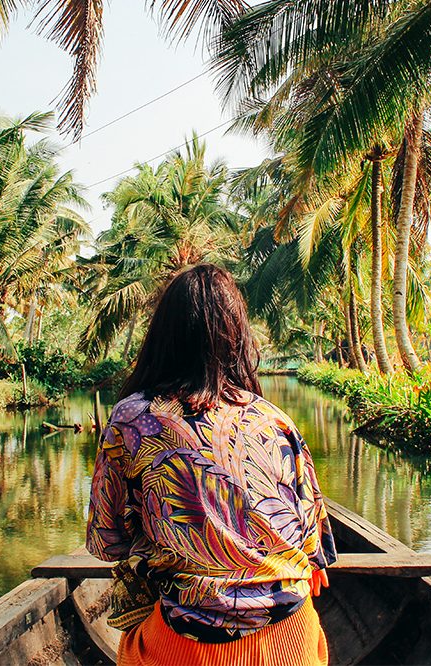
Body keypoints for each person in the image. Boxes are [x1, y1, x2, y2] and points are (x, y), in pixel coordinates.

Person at [86, 263, 337, 666]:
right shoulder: (274, 419)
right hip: (293, 641)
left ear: (162, 336)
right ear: (236, 338)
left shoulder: (132, 418)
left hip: (188, 645)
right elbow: (314, 547)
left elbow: (107, 540)